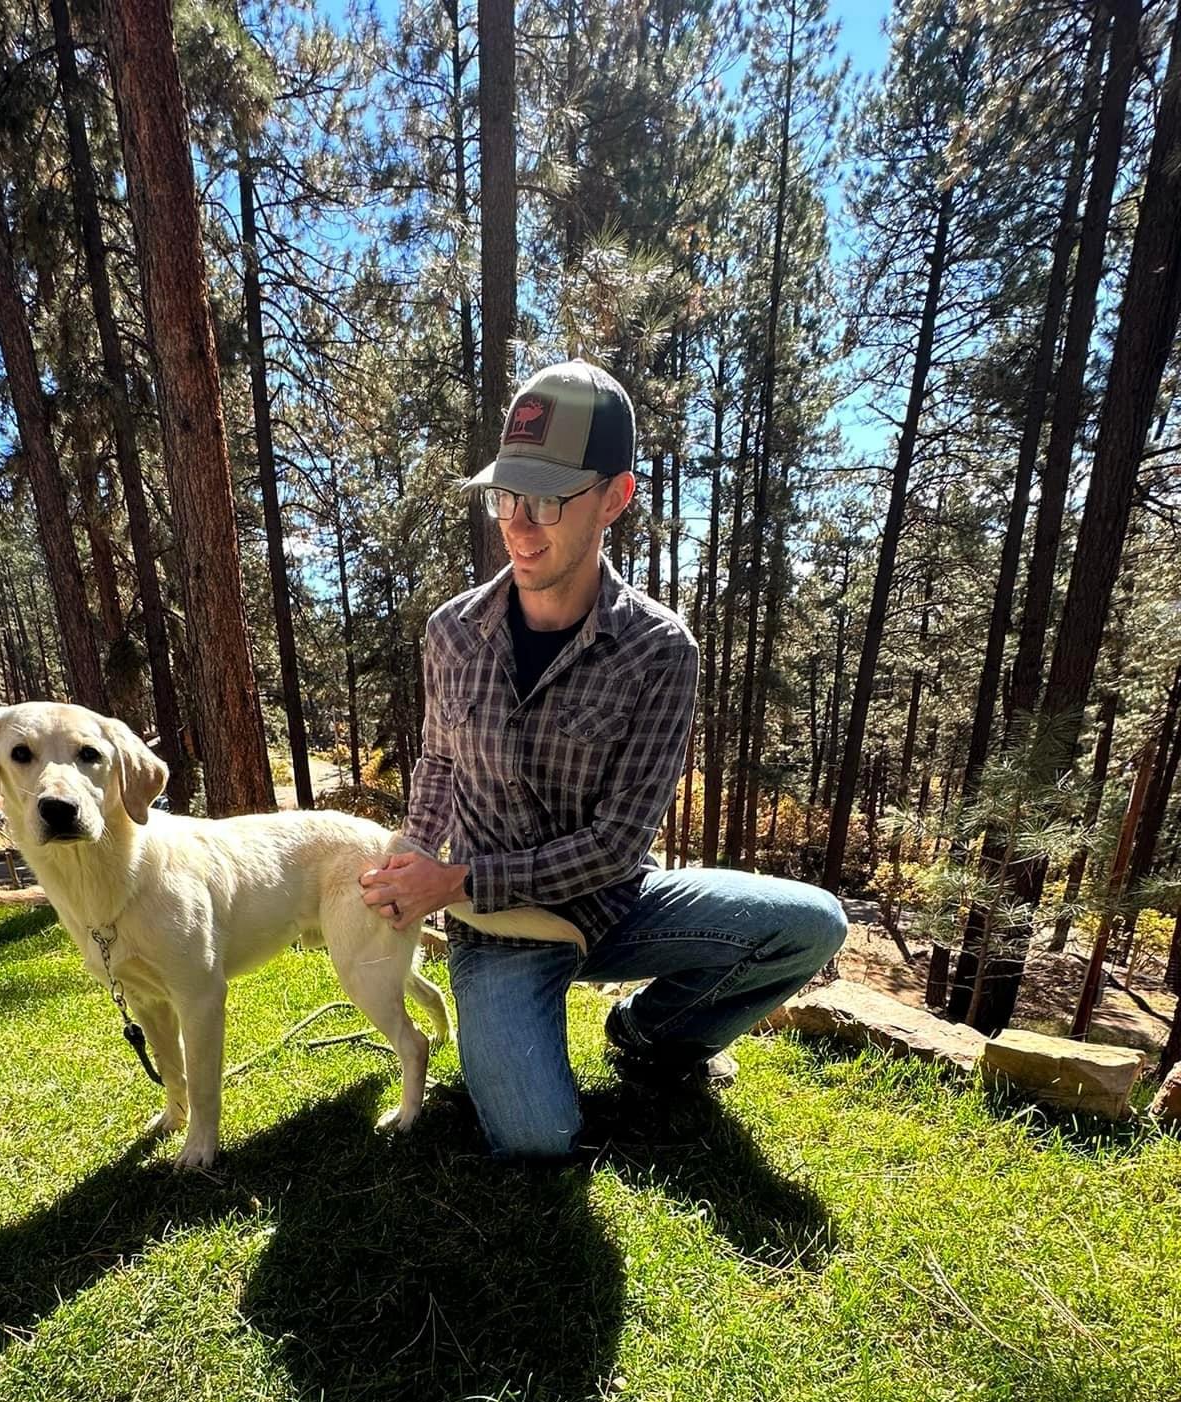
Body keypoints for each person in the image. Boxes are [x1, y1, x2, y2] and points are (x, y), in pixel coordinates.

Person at [359, 359, 848, 1160]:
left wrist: (457, 879)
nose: (517, 524)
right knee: (536, 1138)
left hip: (615, 904)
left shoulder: (660, 650)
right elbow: (440, 765)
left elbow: (620, 843)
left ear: (615, 498)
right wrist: (416, 857)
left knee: (812, 926)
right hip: (498, 928)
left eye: (547, 499)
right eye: (505, 495)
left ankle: (651, 1035)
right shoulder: (450, 631)